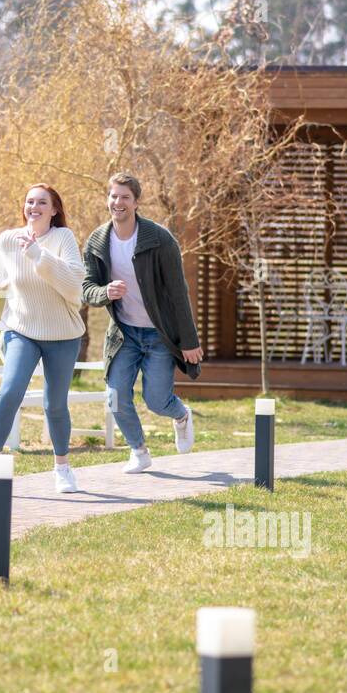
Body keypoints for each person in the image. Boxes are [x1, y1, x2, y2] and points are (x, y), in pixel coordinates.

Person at [0, 184, 85, 494]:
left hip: (62, 334)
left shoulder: (63, 239)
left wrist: (37, 255)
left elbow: (74, 287)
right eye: (30, 201)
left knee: (54, 404)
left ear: (54, 209)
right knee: (10, 391)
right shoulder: (8, 240)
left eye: (42, 202)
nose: (35, 207)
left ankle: (62, 469)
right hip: (21, 329)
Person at [81, 171, 203, 472]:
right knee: (116, 397)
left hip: (159, 335)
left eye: (125, 197)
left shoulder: (159, 239)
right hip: (124, 334)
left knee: (157, 401)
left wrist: (189, 341)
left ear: (136, 202)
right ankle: (138, 450)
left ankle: (181, 415)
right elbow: (86, 288)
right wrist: (105, 292)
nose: (118, 202)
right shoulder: (97, 241)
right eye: (113, 196)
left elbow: (178, 293)